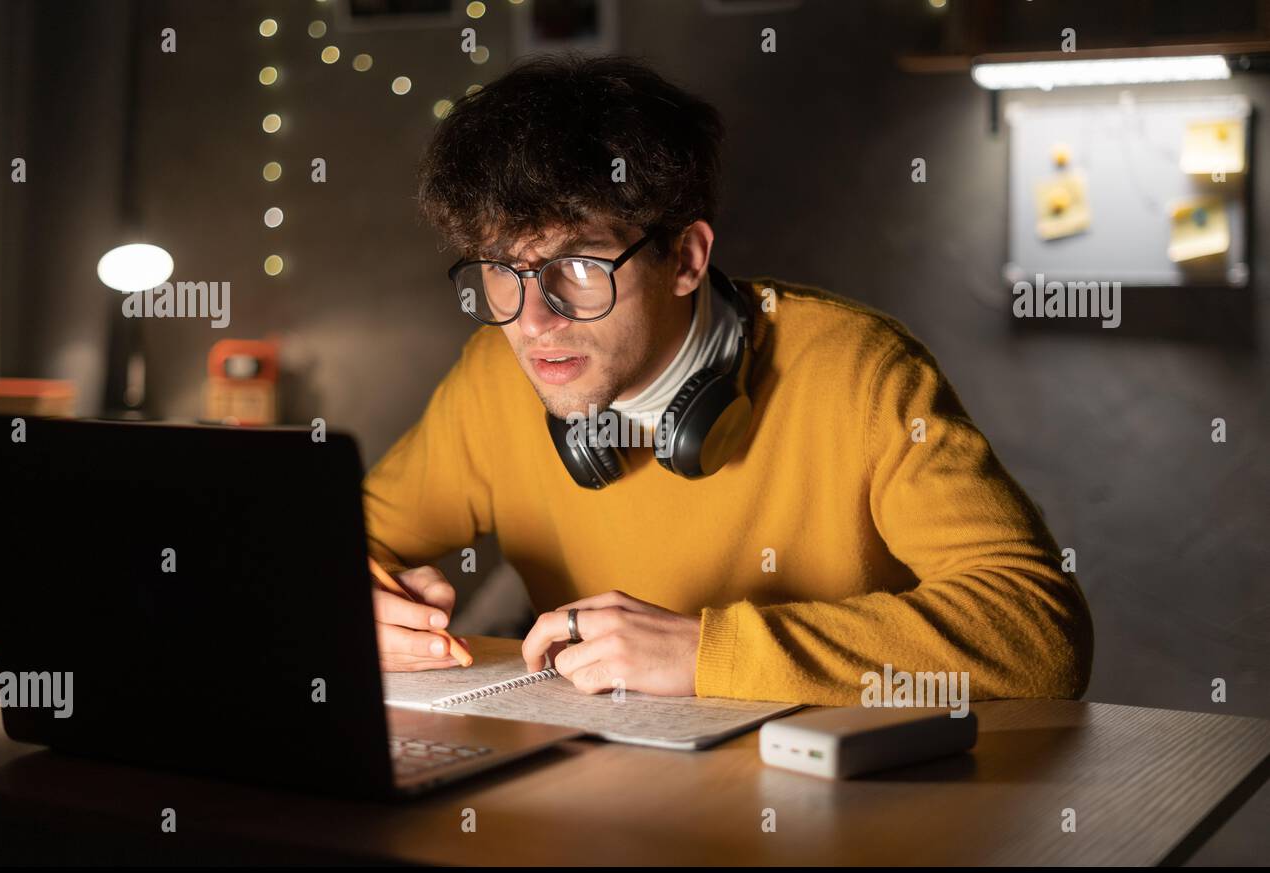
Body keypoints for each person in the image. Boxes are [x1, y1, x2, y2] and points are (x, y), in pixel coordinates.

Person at [362, 53, 1092, 705]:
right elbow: (327, 542)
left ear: (685, 259)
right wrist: (354, 599)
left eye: (580, 267)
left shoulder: (861, 369)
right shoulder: (492, 377)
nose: (532, 322)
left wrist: (708, 654)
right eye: (501, 270)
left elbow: (1039, 634)